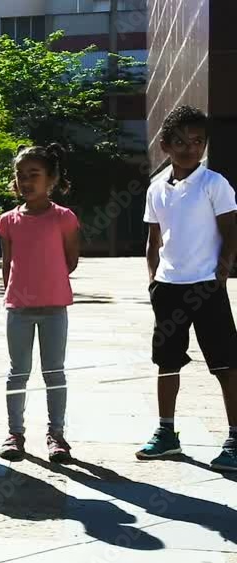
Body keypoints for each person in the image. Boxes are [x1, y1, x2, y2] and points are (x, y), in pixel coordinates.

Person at [135, 105, 237, 472]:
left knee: (225, 363)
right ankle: (166, 435)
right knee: (167, 363)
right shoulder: (156, 189)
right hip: (168, 288)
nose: (189, 148)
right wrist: (153, 281)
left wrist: (220, 276)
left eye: (197, 141)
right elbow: (153, 239)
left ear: (205, 145)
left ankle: (235, 439)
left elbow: (230, 235)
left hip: (207, 287)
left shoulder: (215, 184)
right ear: (165, 145)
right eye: (180, 142)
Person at [0, 144, 80, 463]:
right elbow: (7, 266)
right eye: (21, 175)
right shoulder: (7, 221)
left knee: (54, 372)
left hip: (55, 308)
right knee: (18, 372)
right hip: (18, 309)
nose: (26, 181)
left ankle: (56, 435)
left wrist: (48, 282)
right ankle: (14, 433)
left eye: (35, 174)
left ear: (51, 179)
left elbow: (70, 260)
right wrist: (16, 293)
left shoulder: (64, 218)